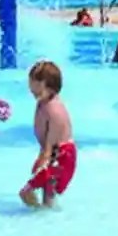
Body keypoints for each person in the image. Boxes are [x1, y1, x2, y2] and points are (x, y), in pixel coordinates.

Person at [20, 61, 76, 208]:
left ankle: (43, 219)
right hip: (54, 155)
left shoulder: (54, 110)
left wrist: (42, 161)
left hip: (61, 156)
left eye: (37, 92)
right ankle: (47, 218)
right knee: (47, 197)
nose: (34, 94)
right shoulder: (44, 102)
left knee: (27, 192)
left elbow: (51, 146)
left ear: (49, 87)